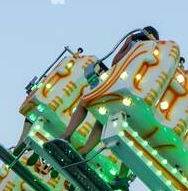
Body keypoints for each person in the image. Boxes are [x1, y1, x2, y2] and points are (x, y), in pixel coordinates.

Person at [57, 26, 160, 158]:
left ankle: (83, 151)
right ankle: (68, 136)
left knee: (104, 117)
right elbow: (115, 61)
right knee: (86, 102)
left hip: (130, 85)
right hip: (115, 78)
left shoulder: (154, 52)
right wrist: (131, 45)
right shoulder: (132, 41)